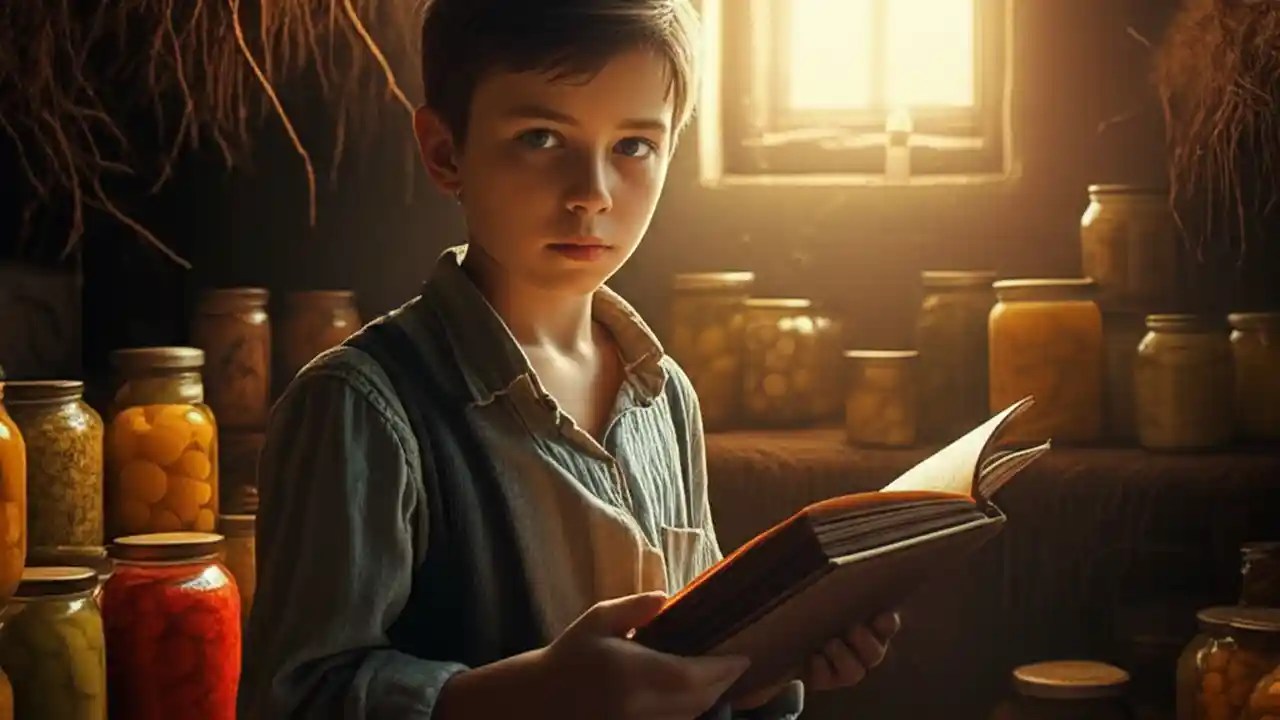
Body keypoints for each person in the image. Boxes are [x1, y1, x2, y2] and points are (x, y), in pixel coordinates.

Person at [237, 1, 901, 718]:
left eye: (634, 146)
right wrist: (533, 695)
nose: (592, 194)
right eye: (542, 137)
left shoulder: (663, 395)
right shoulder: (359, 406)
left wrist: (769, 663)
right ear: (444, 151)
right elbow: (295, 699)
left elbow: (694, 666)